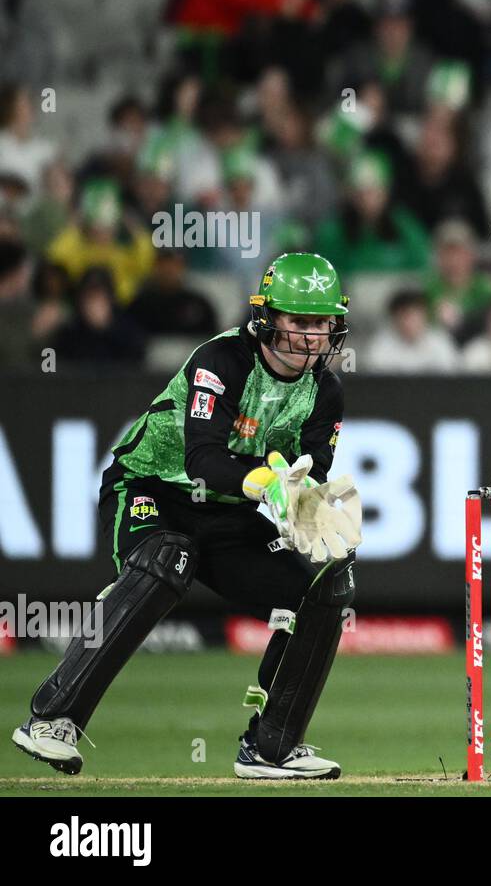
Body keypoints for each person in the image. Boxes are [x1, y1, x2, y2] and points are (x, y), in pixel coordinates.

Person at [12, 253, 362, 780]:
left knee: (328, 580)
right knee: (168, 557)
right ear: (268, 318)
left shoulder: (325, 393)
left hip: (229, 514)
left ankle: (271, 748)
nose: (311, 338)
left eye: (320, 324)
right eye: (298, 322)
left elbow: (309, 471)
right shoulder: (221, 361)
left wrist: (307, 506)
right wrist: (270, 484)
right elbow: (202, 458)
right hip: (151, 487)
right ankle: (53, 718)